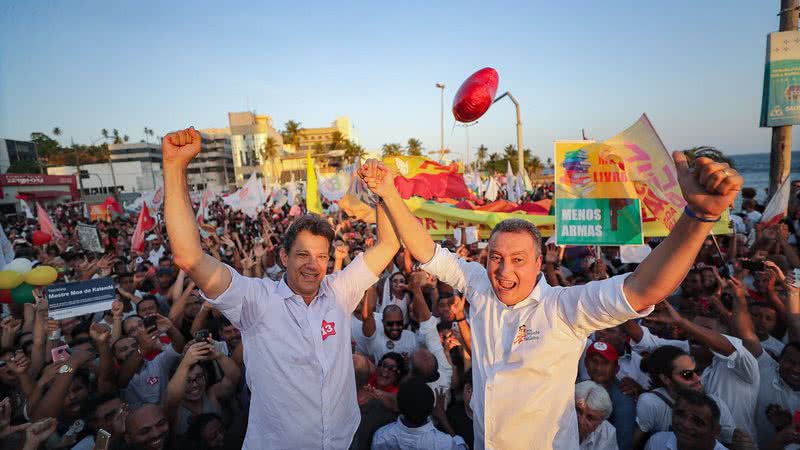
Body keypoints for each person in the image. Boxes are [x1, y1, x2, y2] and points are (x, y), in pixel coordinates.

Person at [359, 149, 743, 450]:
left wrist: (698, 217)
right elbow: (425, 250)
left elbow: (645, 289)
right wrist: (389, 191)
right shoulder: (478, 284)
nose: (503, 270)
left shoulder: (564, 308)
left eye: (518, 260)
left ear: (540, 263)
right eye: (496, 258)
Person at [162, 127, 400, 448]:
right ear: (282, 256)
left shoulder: (340, 291)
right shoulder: (256, 302)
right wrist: (175, 168)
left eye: (321, 256)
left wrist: (384, 193)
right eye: (302, 254)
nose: (312, 265)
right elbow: (189, 257)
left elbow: (388, 244)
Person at [371, 377, 467, 450]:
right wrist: (443, 419)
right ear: (431, 410)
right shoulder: (444, 444)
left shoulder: (381, 437)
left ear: (399, 407)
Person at [583, 341, 635, 450]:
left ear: (616, 369)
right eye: (594, 361)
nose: (598, 368)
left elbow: (622, 444)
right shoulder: (579, 386)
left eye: (605, 363)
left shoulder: (623, 398)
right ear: (585, 363)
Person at [644, 391, 728, 450]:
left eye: (697, 421)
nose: (686, 424)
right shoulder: (656, 442)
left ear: (716, 431)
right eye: (680, 414)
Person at [574, 380, 618, 450]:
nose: (581, 421)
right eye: (578, 411)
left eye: (590, 418)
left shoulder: (607, 434)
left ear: (602, 420)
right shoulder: (557, 422)